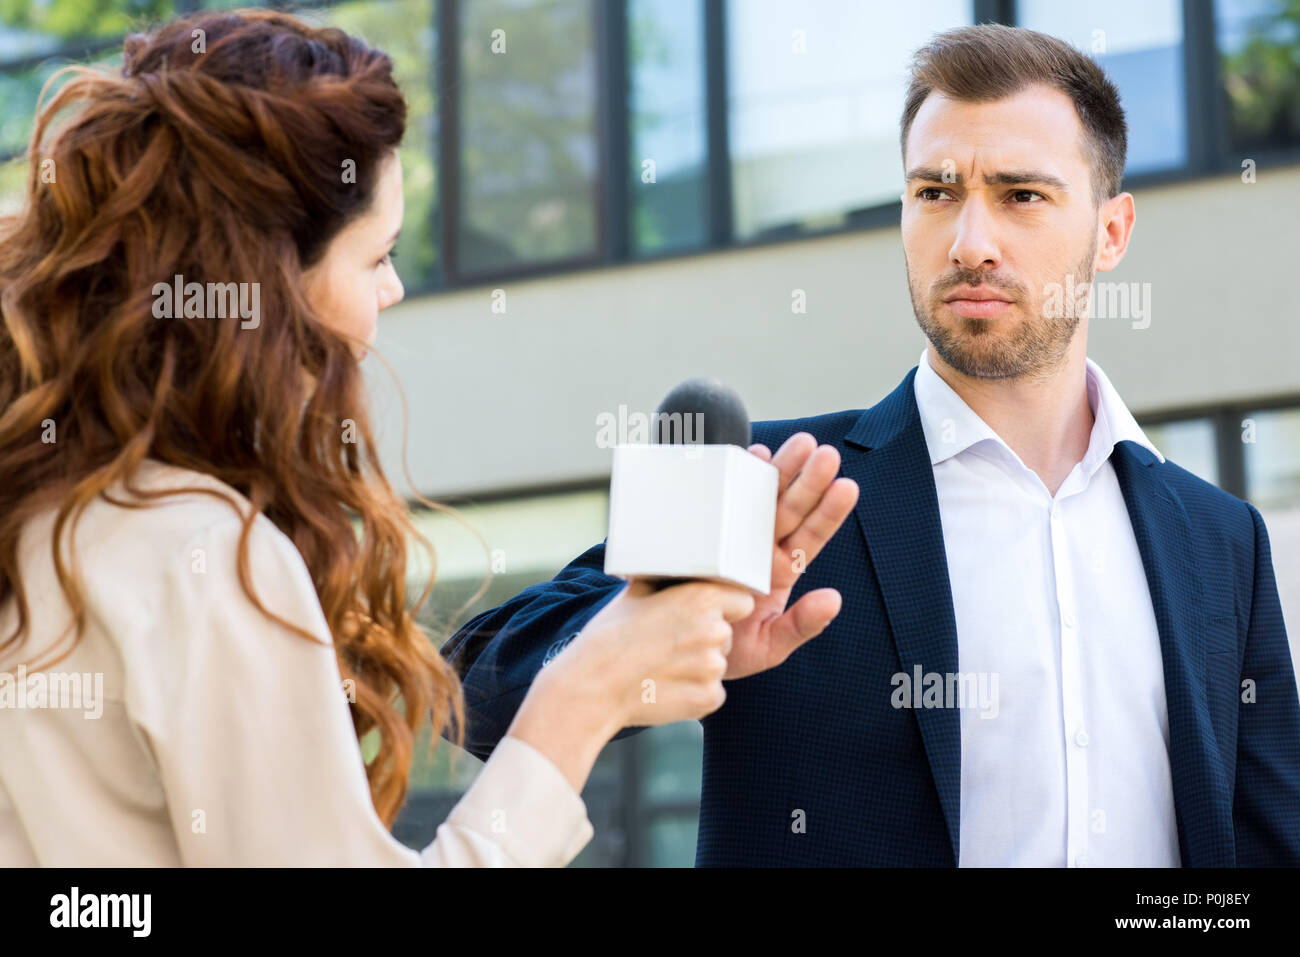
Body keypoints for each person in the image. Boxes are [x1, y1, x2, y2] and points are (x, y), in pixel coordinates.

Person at [0, 9, 857, 867]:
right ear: (270, 284)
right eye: (376, 256)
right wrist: (582, 694)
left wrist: (632, 656)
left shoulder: (46, 519)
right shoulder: (206, 553)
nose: (395, 290)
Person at [445, 24, 1300, 866]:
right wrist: (662, 619)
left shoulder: (1221, 541)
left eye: (1021, 195)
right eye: (935, 193)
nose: (970, 243)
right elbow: (474, 689)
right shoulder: (779, 491)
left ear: (1111, 233)